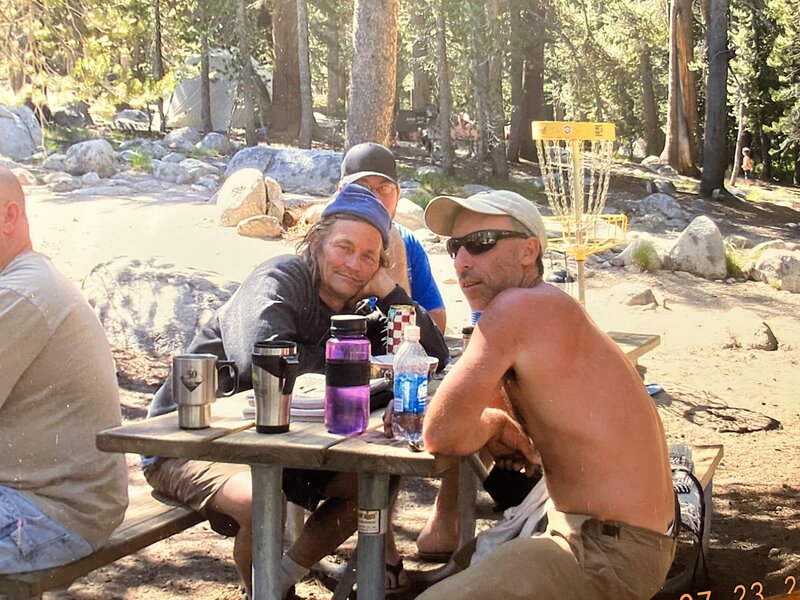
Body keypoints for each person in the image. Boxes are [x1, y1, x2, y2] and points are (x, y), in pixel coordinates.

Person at [143, 183, 449, 598]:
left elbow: (427, 353)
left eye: (368, 257)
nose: (353, 264)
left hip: (273, 443)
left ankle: (278, 581)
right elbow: (263, 362)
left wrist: (389, 291)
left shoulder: (360, 306)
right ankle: (269, 591)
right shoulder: (282, 277)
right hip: (190, 440)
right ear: (318, 242)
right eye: (344, 247)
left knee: (373, 485)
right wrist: (356, 362)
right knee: (260, 501)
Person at [416, 190, 677, 599]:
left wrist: (493, 423)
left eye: (480, 243)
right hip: (614, 536)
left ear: (528, 251)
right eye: (455, 247)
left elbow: (442, 432)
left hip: (606, 549)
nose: (462, 261)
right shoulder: (544, 307)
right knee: (462, 566)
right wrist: (497, 419)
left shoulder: (518, 308)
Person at [0, 167, 128, 574]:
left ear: (8, 216)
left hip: (48, 511)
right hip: (50, 501)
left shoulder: (21, 292)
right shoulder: (25, 281)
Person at [340, 142, 448, 333]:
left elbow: (437, 323)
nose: (374, 198)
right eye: (362, 187)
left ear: (398, 194)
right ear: (342, 191)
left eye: (384, 189)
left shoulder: (407, 242)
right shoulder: (327, 242)